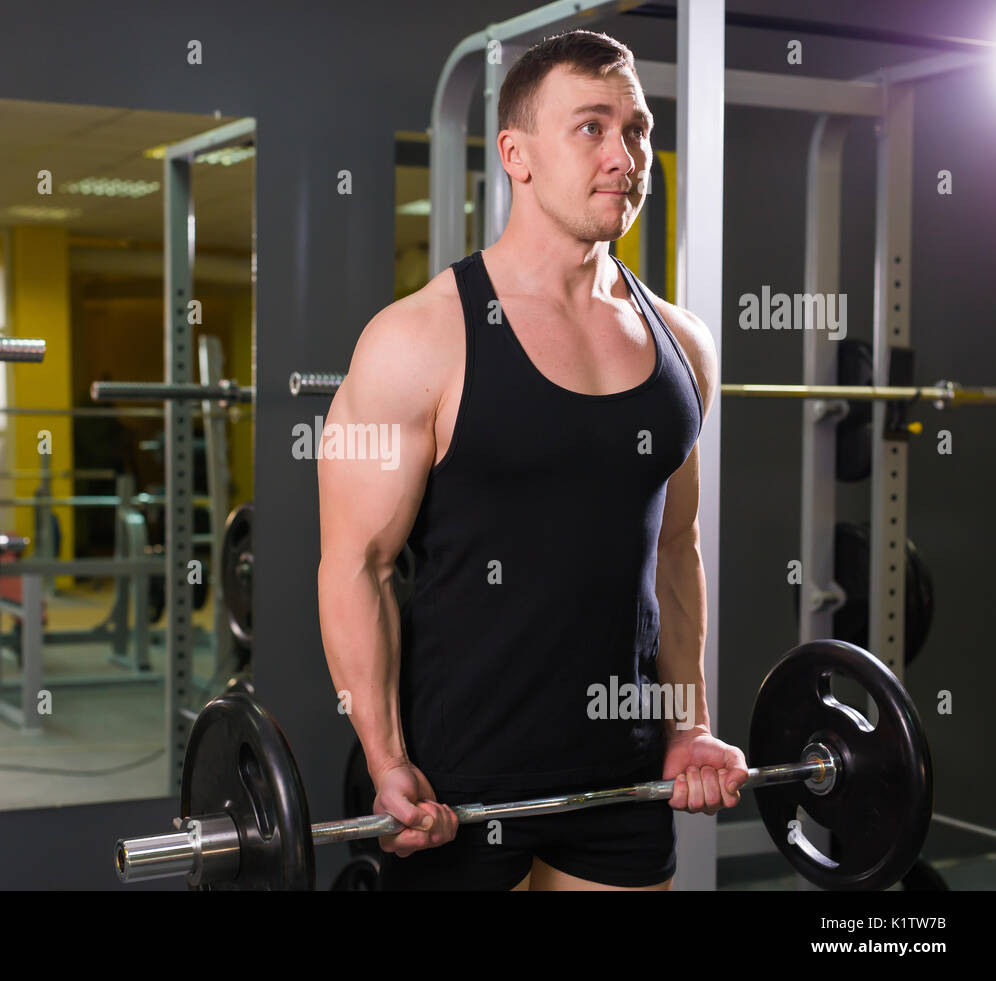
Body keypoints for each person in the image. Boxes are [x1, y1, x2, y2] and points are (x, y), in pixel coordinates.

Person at [318, 30, 748, 891]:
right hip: (459, 785)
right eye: (592, 127)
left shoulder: (683, 343)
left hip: (622, 777)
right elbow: (354, 564)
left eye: (637, 129)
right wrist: (385, 755)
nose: (624, 155)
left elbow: (674, 550)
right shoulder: (419, 337)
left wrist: (688, 721)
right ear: (515, 152)